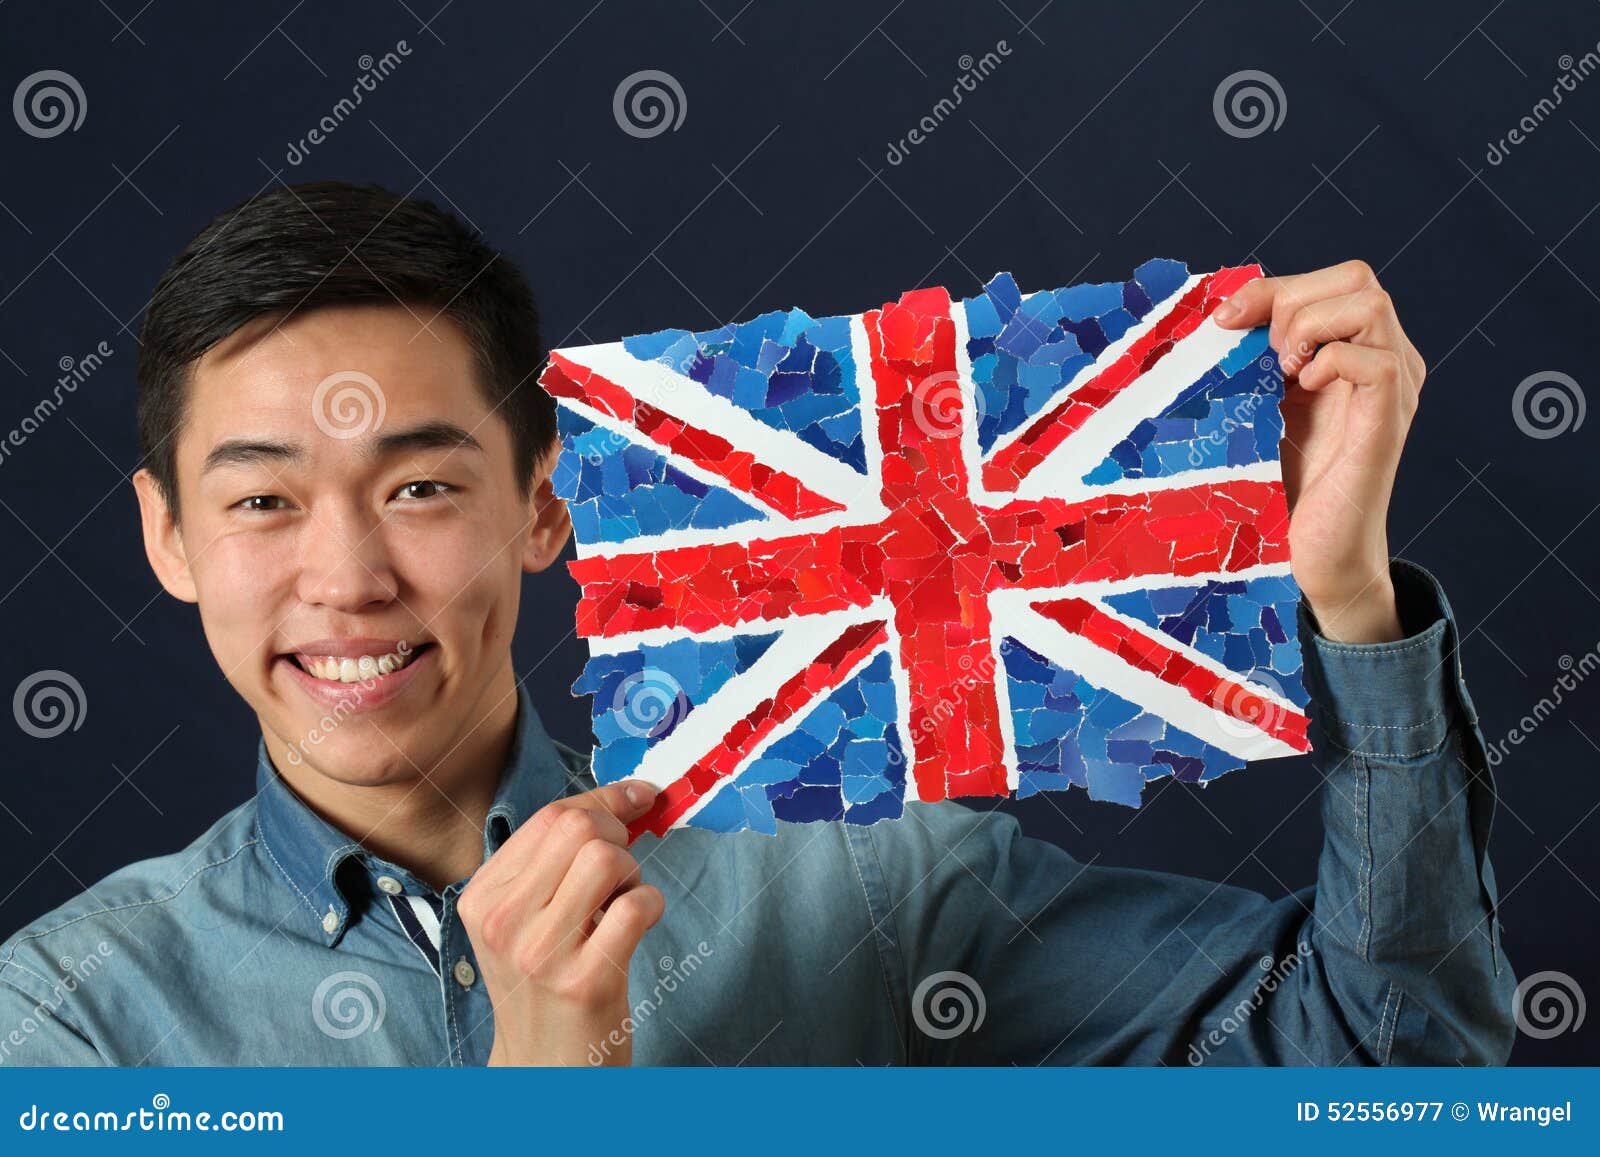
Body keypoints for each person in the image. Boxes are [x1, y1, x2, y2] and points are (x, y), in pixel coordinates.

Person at [0, 183, 1513, 1066]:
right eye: (263, 500)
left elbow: (1393, 1073)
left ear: (545, 506)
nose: (346, 578)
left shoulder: (852, 878)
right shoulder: (72, 1023)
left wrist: (1348, 599)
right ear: (169, 536)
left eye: (419, 487)